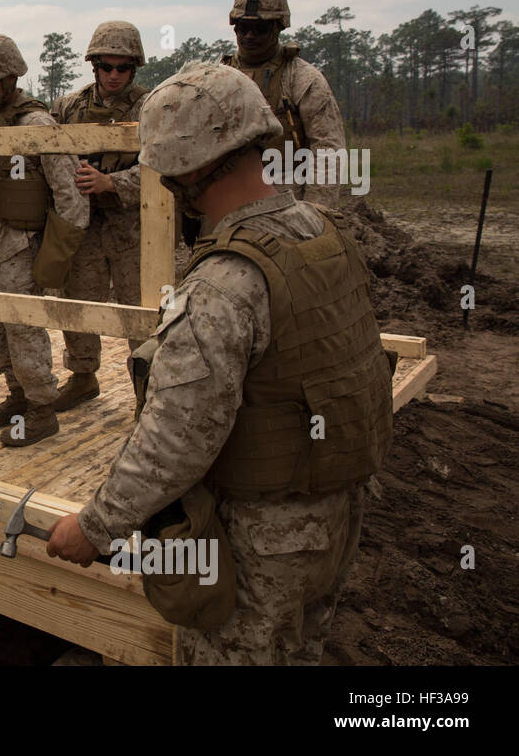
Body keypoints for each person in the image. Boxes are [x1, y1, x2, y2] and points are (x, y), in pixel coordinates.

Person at [45, 63, 393, 665]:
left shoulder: (224, 283)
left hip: (261, 539)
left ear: (187, 167)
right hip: (337, 516)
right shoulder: (324, 233)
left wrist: (97, 526)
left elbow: (177, 436)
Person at [0, 34, 89, 447]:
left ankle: (41, 408)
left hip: (23, 242)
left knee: (23, 326)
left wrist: (58, 251)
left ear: (12, 76)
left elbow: (69, 192)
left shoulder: (37, 124)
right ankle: (17, 394)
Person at [50, 21, 149, 411]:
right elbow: (50, 155)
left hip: (134, 225)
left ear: (133, 68)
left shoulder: (152, 106)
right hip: (84, 224)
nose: (113, 75)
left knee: (140, 309)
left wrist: (114, 182)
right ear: (93, 65)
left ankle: (148, 388)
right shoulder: (69, 107)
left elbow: (165, 166)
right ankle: (82, 376)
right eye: (105, 67)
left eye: (121, 68)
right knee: (78, 301)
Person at [222, 0, 346, 210]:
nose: (249, 36)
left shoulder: (302, 78)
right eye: (243, 28)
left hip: (286, 196)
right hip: (227, 194)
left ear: (278, 28)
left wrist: (316, 211)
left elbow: (328, 150)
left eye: (259, 29)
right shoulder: (217, 78)